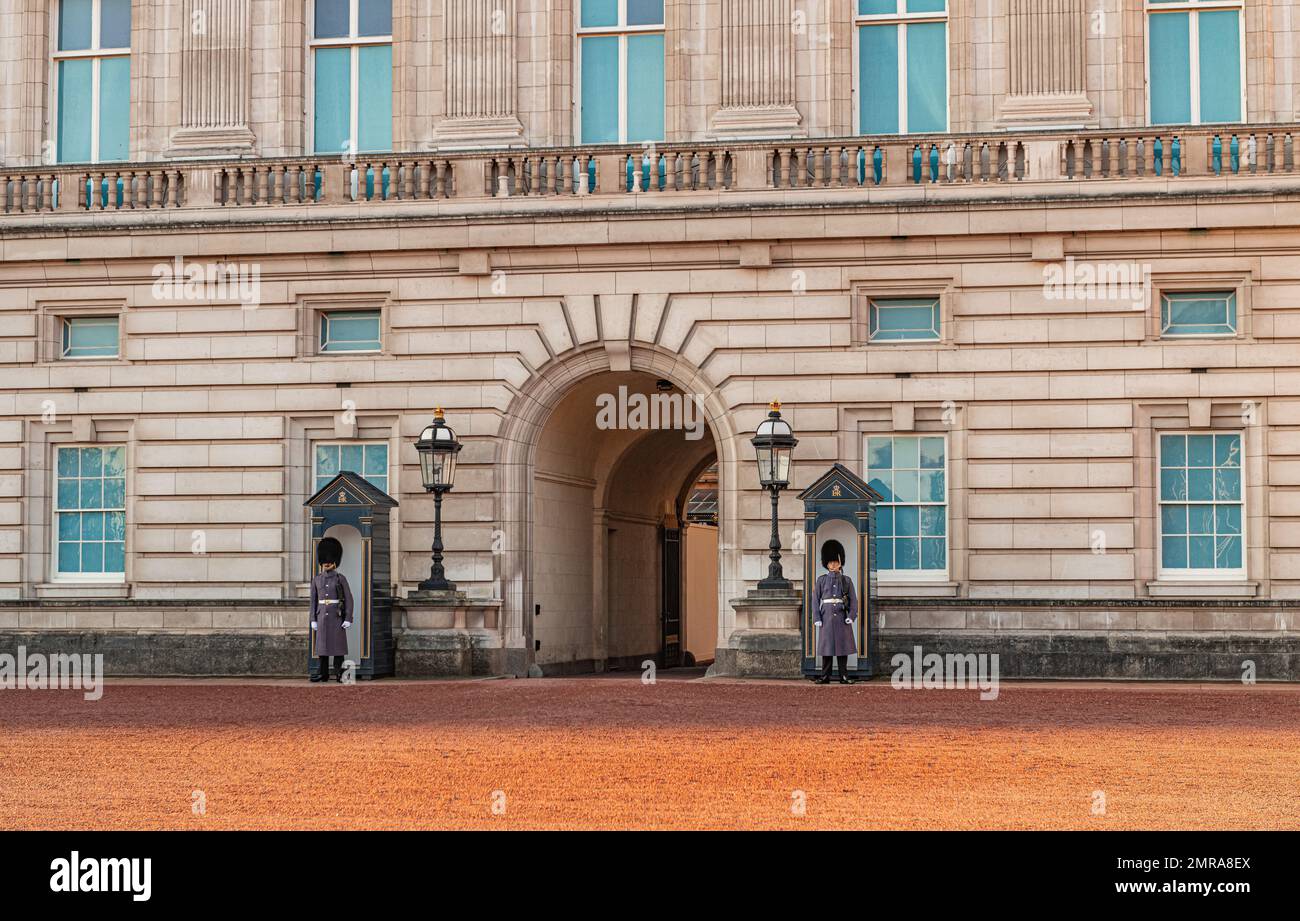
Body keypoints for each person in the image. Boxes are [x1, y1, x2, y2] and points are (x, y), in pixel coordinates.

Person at [812, 539, 858, 685]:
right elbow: (815, 600)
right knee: (827, 648)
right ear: (826, 563)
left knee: (842, 648)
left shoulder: (846, 581)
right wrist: (816, 617)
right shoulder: (821, 580)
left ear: (840, 562)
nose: (832, 565)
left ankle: (843, 676)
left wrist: (851, 616)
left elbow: (853, 601)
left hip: (841, 617)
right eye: (830, 562)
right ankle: (825, 675)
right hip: (826, 617)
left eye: (835, 562)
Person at [310, 537, 354, 683]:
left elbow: (349, 599)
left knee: (338, 649)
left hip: (336, 617)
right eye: (325, 560)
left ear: (335, 561)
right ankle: (323, 674)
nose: (326, 563)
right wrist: (313, 619)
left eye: (329, 559)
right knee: (322, 649)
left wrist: (348, 618)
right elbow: (314, 601)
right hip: (322, 616)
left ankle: (340, 674)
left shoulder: (340, 578)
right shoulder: (317, 579)